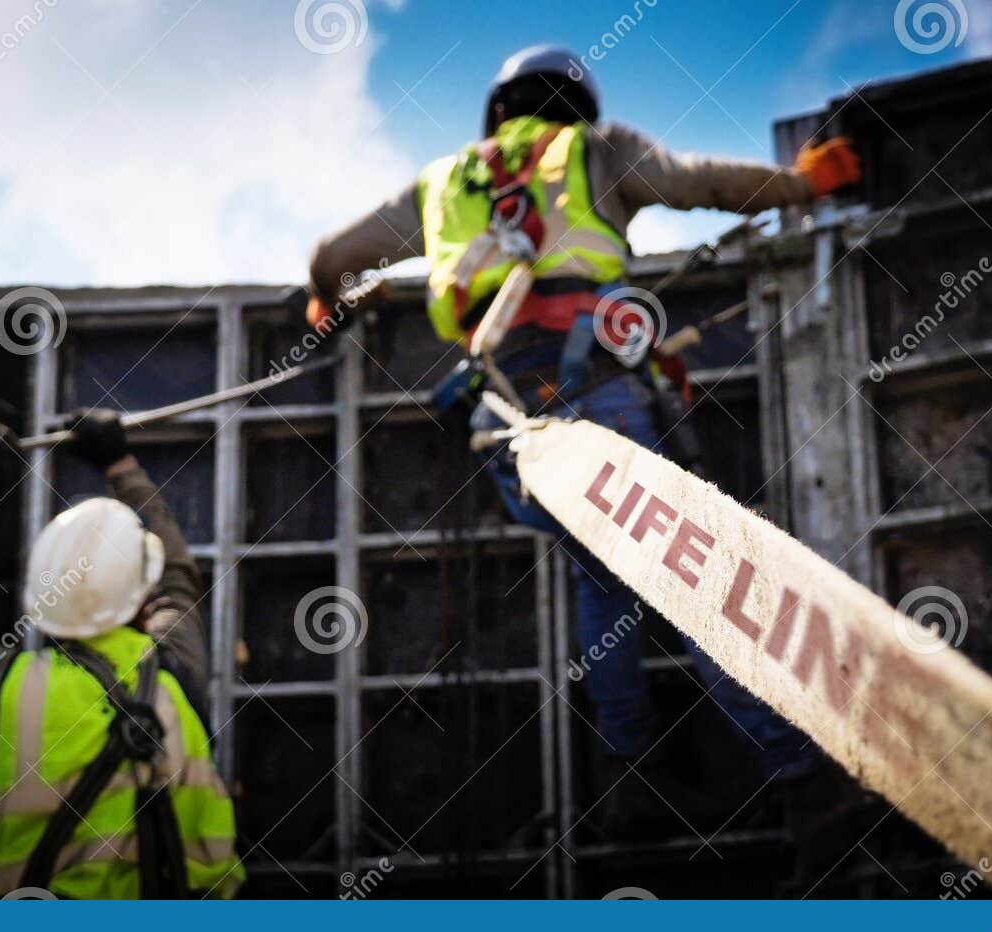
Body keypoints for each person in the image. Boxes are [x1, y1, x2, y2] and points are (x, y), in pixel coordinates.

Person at [303, 45, 862, 837]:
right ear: (579, 107)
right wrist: (805, 183)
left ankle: (630, 777)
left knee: (605, 581)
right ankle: (800, 775)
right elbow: (698, 182)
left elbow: (331, 257)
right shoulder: (595, 150)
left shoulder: (442, 182)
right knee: (687, 574)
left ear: (499, 109)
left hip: (505, 419)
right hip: (594, 390)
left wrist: (330, 302)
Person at [0, 409, 243, 898]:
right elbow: (177, 576)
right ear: (141, 598)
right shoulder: (176, 665)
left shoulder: (14, 690)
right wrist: (120, 464)